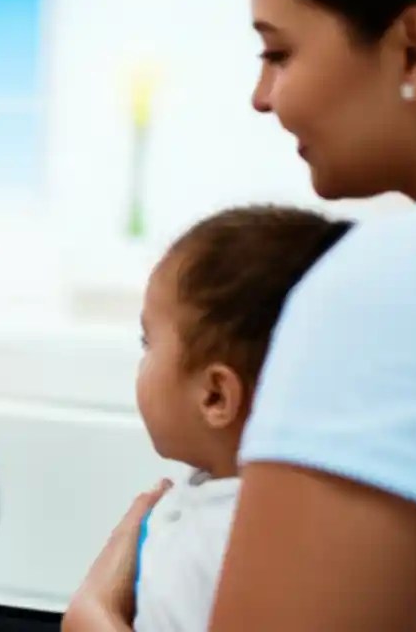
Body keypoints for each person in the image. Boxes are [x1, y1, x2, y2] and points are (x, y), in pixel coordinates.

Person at [65, 0, 416, 629]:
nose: (263, 97)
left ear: (413, 49)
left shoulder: (384, 283)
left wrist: (93, 621)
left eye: (279, 53)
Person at [132, 205, 350, 632]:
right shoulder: (321, 518)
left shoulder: (231, 546)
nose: (140, 361)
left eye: (147, 342)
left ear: (215, 396)